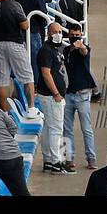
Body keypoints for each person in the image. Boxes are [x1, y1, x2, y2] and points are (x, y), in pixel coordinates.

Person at [62, 23, 100, 171]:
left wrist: (81, 46)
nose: (75, 37)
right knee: (67, 129)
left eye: (78, 35)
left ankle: (91, 158)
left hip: (83, 94)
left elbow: (84, 52)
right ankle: (69, 158)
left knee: (86, 128)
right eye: (72, 35)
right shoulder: (65, 50)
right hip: (68, 94)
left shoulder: (84, 49)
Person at [37, 21, 72, 174]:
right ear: (49, 33)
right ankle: (56, 161)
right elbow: (46, 73)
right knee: (56, 129)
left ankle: (49, 161)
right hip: (52, 97)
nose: (58, 34)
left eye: (60, 32)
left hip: (52, 96)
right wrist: (56, 93)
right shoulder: (46, 50)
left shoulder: (55, 49)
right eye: (55, 32)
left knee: (48, 128)